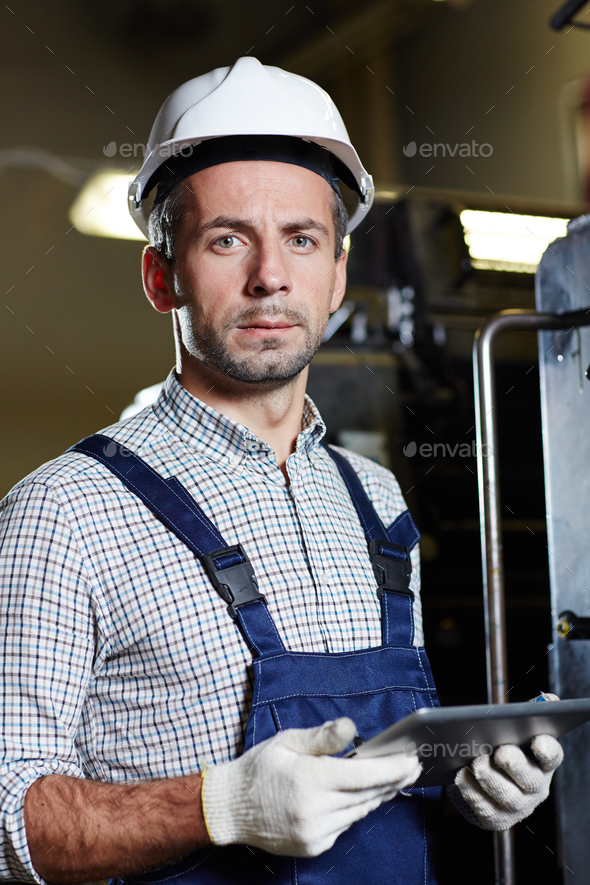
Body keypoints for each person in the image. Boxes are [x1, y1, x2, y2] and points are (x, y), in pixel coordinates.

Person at [0, 57, 563, 885]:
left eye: (301, 239)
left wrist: (472, 787)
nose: (270, 276)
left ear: (336, 273)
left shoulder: (371, 496)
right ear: (162, 275)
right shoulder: (63, 510)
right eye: (227, 239)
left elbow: (384, 777)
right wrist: (218, 806)